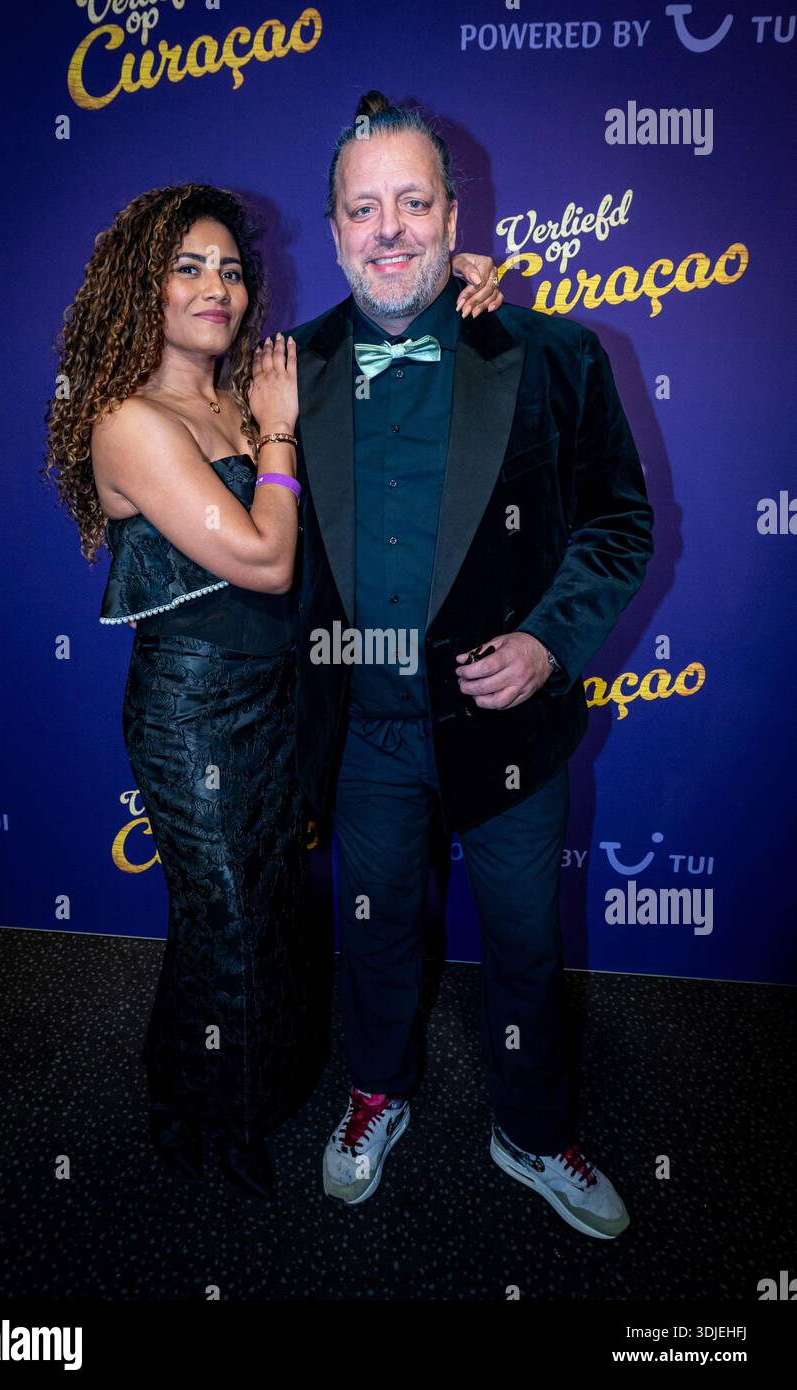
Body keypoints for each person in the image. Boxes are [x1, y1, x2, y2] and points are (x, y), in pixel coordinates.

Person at [43, 181, 504, 1199]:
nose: (218, 287)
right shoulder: (130, 419)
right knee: (223, 921)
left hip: (280, 703)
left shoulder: (242, 387)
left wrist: (461, 300)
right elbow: (262, 558)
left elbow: (389, 364)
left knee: (270, 912)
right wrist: (282, 430)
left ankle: (255, 1081)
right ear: (141, 287)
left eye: (231, 269)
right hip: (191, 711)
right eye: (188, 267)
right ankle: (201, 1116)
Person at [291, 93, 655, 1237]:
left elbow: (619, 521)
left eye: (412, 202)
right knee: (373, 926)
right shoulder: (283, 371)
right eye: (364, 208)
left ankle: (533, 1130)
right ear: (335, 225)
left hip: (505, 729)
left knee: (525, 943)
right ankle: (374, 1093)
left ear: (454, 215)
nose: (388, 228)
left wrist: (550, 637)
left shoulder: (550, 353)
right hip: (362, 731)